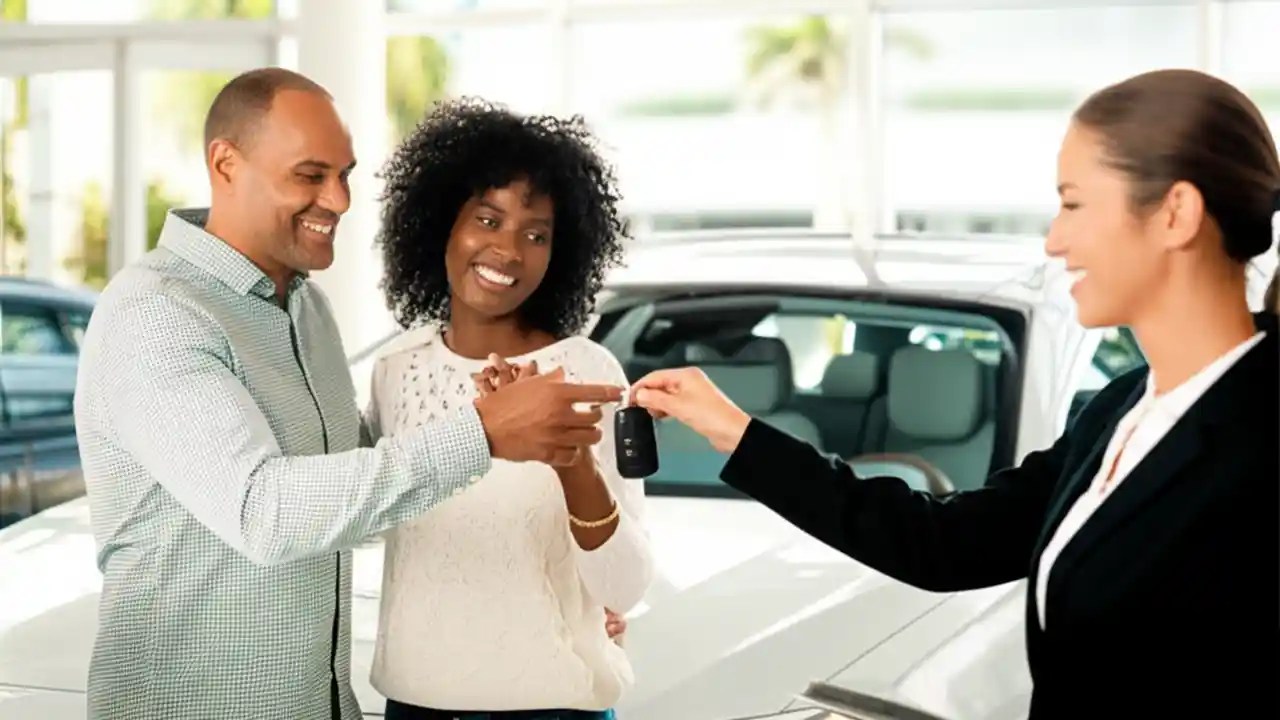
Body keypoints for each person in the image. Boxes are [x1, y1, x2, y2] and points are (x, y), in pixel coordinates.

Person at [629, 69, 1279, 719]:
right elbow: (942, 542)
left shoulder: (1261, 432)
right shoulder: (1122, 410)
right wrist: (735, 430)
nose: (1056, 239)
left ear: (1175, 213)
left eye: (1075, 204)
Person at [73, 69, 622, 720]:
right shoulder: (160, 315)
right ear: (226, 163)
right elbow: (265, 513)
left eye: (345, 175)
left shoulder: (305, 310)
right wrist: (481, 430)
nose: (337, 199)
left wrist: (564, 591)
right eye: (310, 175)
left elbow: (353, 488)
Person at [363, 97, 652, 720]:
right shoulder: (394, 373)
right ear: (442, 222)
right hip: (416, 705)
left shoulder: (588, 374)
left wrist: (573, 463)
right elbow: (367, 520)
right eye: (487, 220)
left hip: (557, 709)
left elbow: (625, 587)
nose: (508, 250)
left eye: (536, 233)